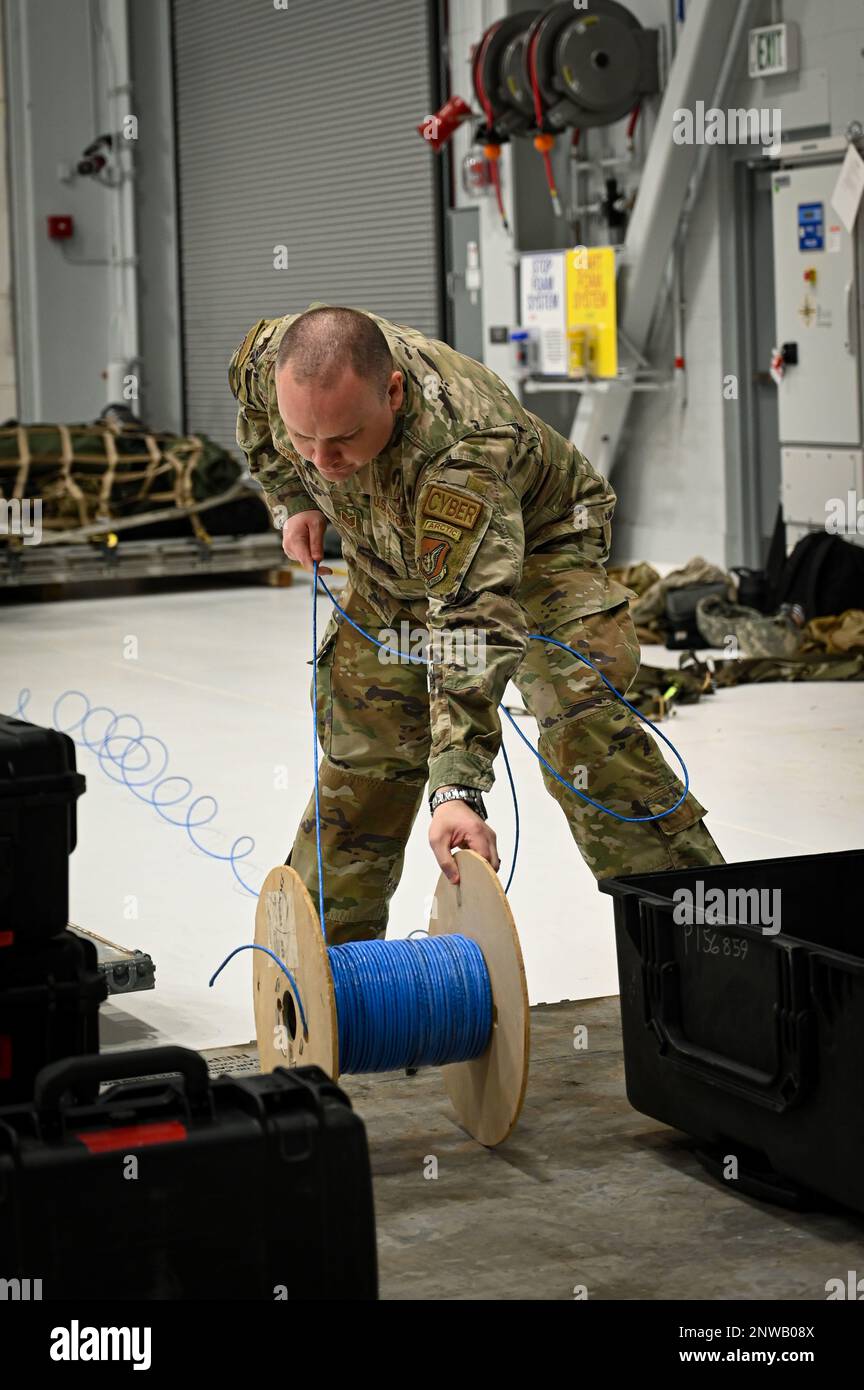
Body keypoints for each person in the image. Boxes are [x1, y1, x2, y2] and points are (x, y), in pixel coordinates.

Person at [229, 303, 723, 946]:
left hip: (540, 547)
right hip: (392, 558)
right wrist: (291, 500)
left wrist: (456, 788)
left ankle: (710, 939)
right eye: (305, 440)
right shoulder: (270, 361)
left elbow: (471, 623)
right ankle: (328, 986)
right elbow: (259, 424)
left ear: (394, 392)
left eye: (344, 440)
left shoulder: (462, 450)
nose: (322, 461)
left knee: (582, 725)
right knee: (367, 748)